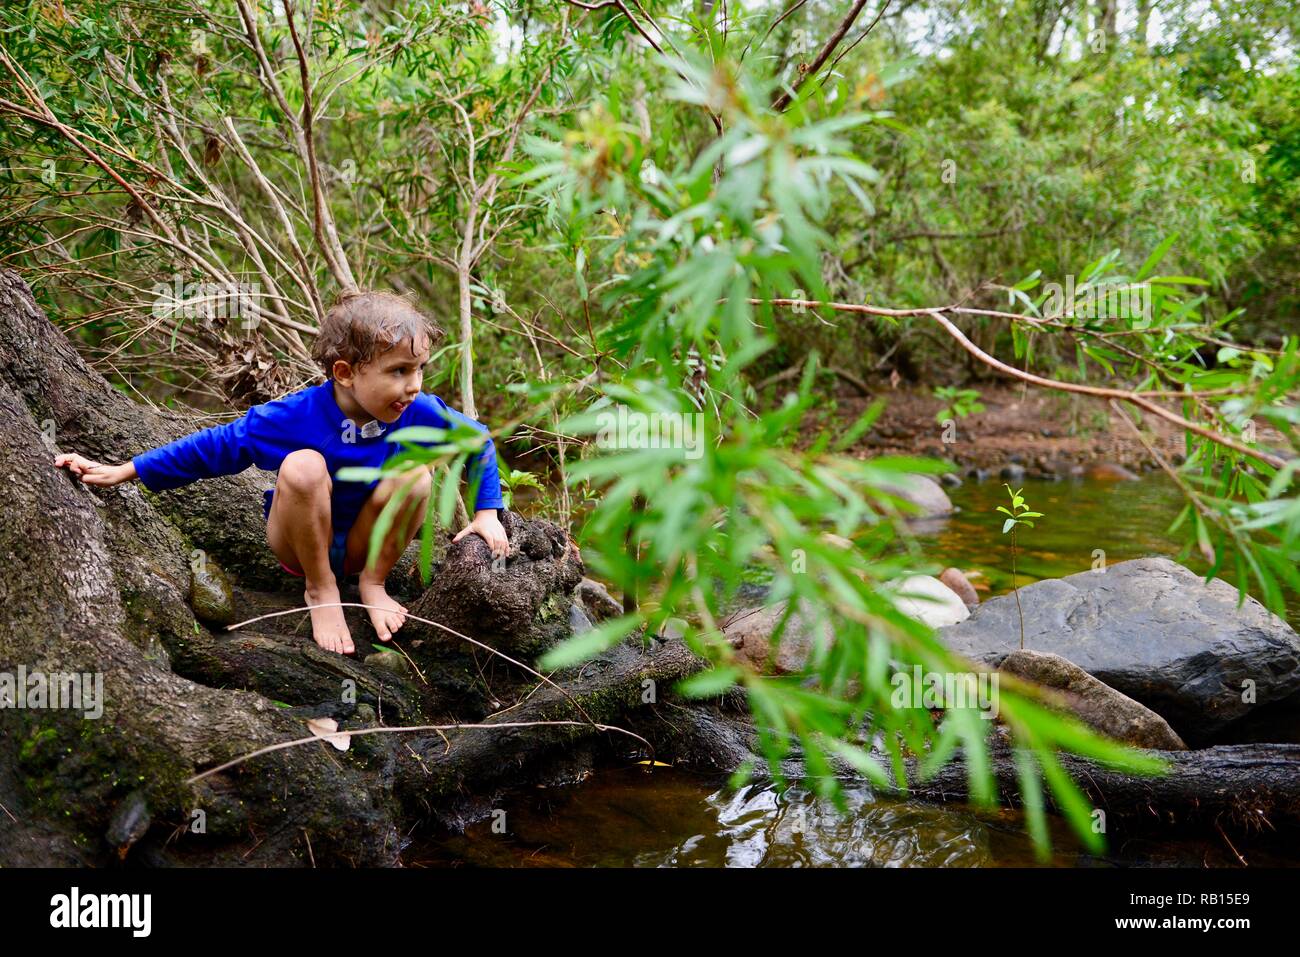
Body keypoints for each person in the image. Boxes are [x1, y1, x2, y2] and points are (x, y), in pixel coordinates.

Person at [54, 289, 510, 655]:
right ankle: (321, 588)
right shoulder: (297, 415)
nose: (413, 385)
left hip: (365, 545)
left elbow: (476, 441)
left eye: (419, 369)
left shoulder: (418, 411)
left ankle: (372, 584)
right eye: (398, 371)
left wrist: (488, 511)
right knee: (303, 466)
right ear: (345, 373)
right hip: (299, 546)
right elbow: (216, 447)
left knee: (417, 476)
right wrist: (126, 471)